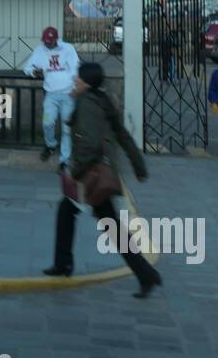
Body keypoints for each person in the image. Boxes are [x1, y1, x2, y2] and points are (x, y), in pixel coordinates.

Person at [43, 60, 162, 299]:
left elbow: (90, 143)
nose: (73, 81)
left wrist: (74, 171)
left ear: (86, 83)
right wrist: (139, 167)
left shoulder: (87, 104)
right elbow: (123, 135)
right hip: (99, 171)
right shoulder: (101, 100)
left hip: (92, 174)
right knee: (69, 211)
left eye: (77, 78)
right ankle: (63, 264)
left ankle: (146, 275)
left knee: (110, 226)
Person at [21, 26, 79, 167]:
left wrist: (74, 87)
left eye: (50, 41)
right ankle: (51, 144)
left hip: (68, 94)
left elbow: (75, 68)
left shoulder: (67, 49)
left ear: (56, 39)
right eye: (45, 41)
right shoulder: (40, 50)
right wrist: (35, 72)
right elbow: (26, 67)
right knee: (47, 122)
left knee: (67, 128)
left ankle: (64, 160)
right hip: (51, 94)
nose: (47, 43)